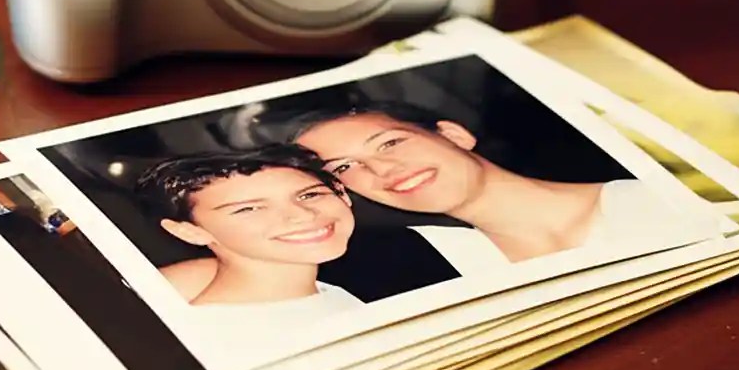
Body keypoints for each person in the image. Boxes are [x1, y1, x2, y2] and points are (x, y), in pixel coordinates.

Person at [292, 100, 714, 264]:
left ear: (454, 136)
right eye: (343, 168)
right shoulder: (454, 266)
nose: (381, 171)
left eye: (389, 143)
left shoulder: (661, 201)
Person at [133, 144, 361, 307]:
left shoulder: (323, 296)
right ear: (189, 232)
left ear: (341, 194)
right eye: (249, 209)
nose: (301, 215)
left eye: (309, 195)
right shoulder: (224, 335)